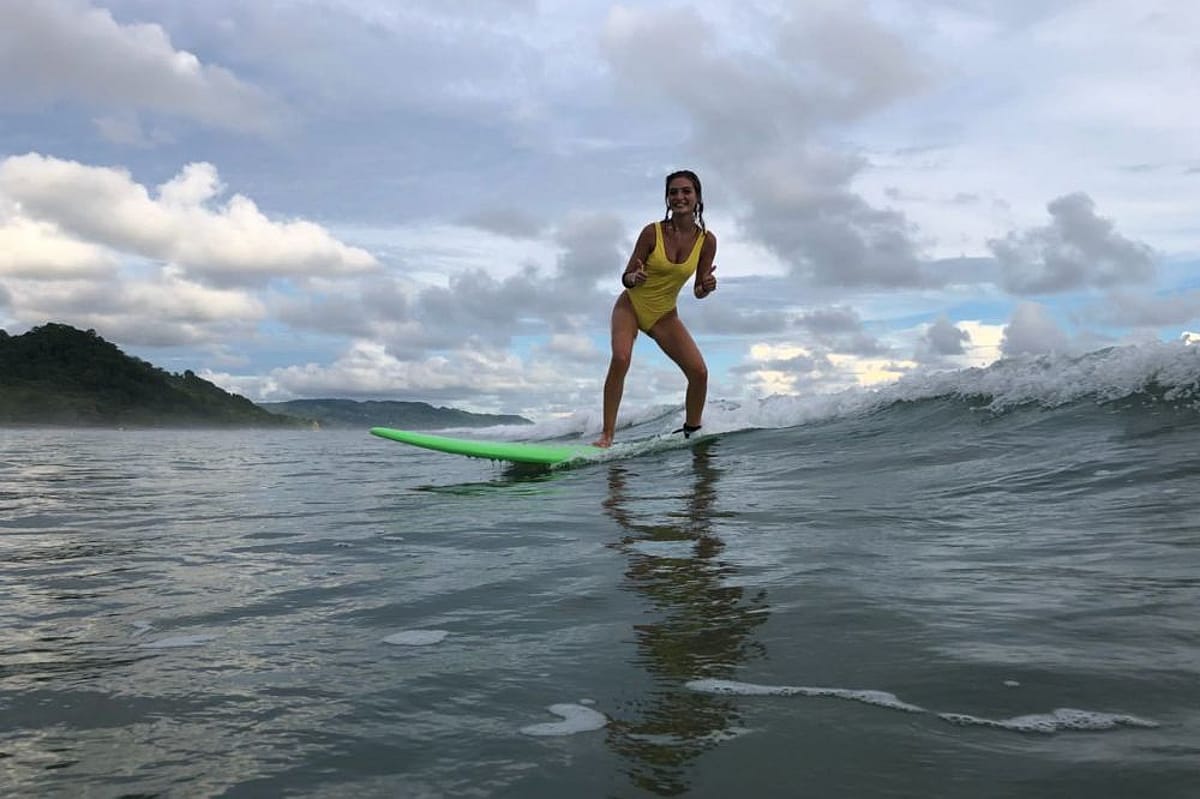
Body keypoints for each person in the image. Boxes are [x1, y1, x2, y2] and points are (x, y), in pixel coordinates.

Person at [592, 170, 718, 448]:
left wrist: (706, 286)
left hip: (664, 315)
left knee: (699, 372)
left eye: (686, 191)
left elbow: (698, 290)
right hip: (632, 305)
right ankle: (607, 435)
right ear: (667, 198)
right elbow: (626, 275)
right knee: (621, 357)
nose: (679, 197)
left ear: (697, 197)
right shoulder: (652, 232)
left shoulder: (706, 241)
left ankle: (692, 430)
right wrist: (633, 278)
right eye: (673, 192)